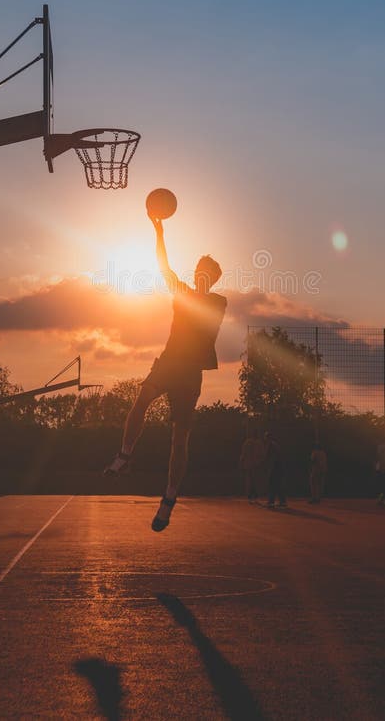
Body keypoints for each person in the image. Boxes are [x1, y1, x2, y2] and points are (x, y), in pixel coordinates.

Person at [105, 211, 227, 532]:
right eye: (199, 270)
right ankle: (125, 453)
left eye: (207, 273)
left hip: (189, 373)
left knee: (179, 440)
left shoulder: (217, 302)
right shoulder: (183, 291)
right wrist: (159, 233)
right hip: (169, 362)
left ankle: (169, 497)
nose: (202, 275)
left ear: (213, 279)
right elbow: (163, 266)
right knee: (141, 397)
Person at [239, 431, 265, 503]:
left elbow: (243, 453)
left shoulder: (247, 442)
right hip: (256, 464)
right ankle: (255, 494)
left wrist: (241, 462)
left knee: (249, 479)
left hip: (248, 464)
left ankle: (250, 494)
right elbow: (262, 454)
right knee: (255, 480)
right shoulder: (259, 443)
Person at [264, 431, 287, 508]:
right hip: (278, 467)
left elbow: (272, 458)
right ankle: (282, 501)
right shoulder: (274, 445)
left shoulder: (271, 445)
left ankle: (271, 501)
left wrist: (270, 469)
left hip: (275, 468)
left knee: (272, 484)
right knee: (277, 485)